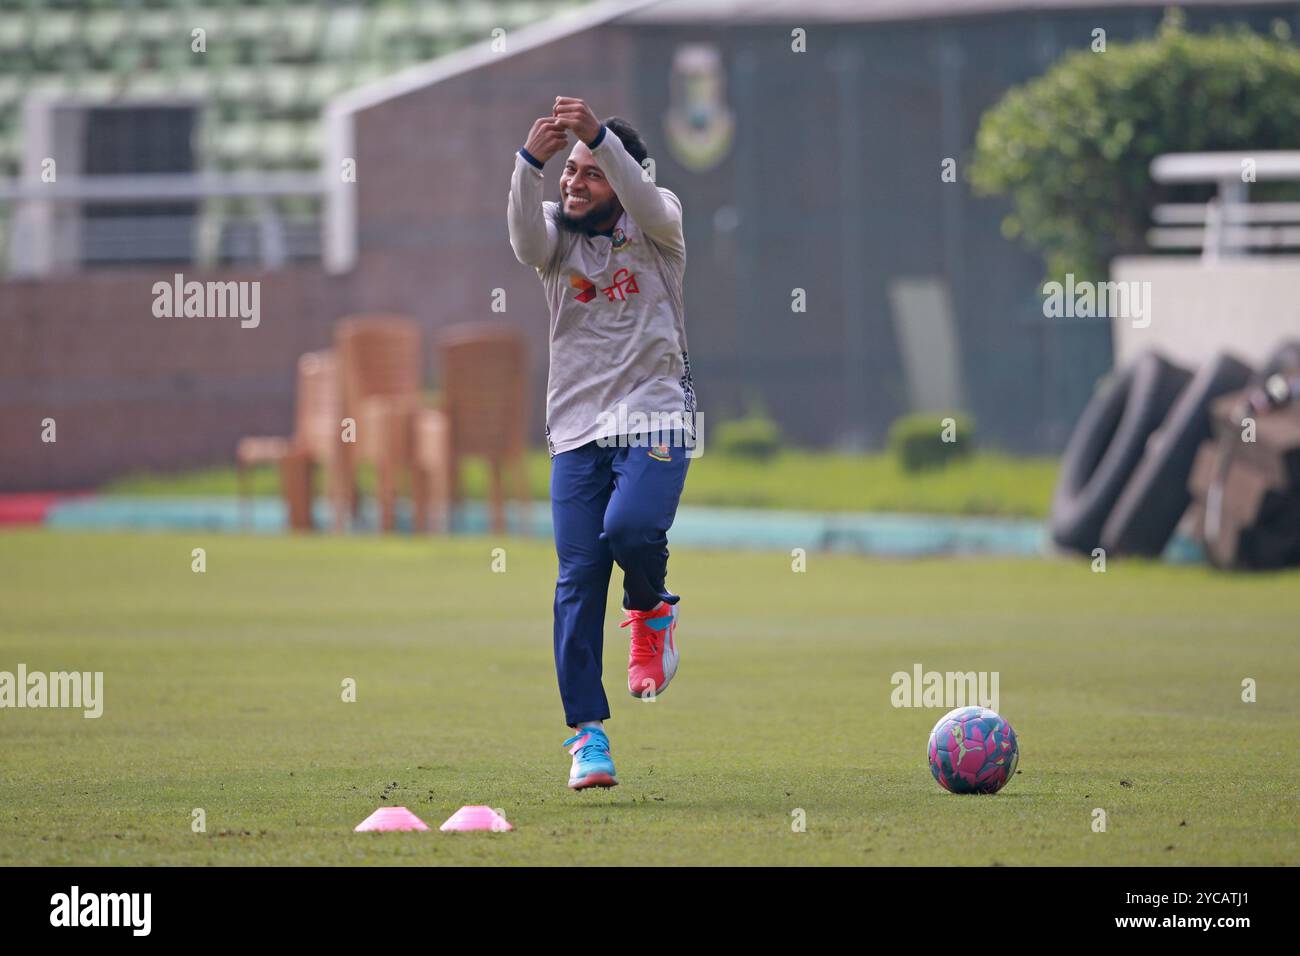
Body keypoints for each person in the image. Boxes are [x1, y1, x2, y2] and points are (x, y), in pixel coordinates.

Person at [507, 97, 697, 790]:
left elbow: (647, 198)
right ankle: (588, 735)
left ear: (621, 177)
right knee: (578, 576)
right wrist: (530, 163)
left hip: (654, 416)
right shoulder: (555, 238)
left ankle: (650, 610)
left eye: (589, 172)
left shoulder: (658, 223)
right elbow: (524, 239)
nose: (573, 182)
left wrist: (598, 137)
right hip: (577, 431)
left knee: (633, 528)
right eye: (569, 172)